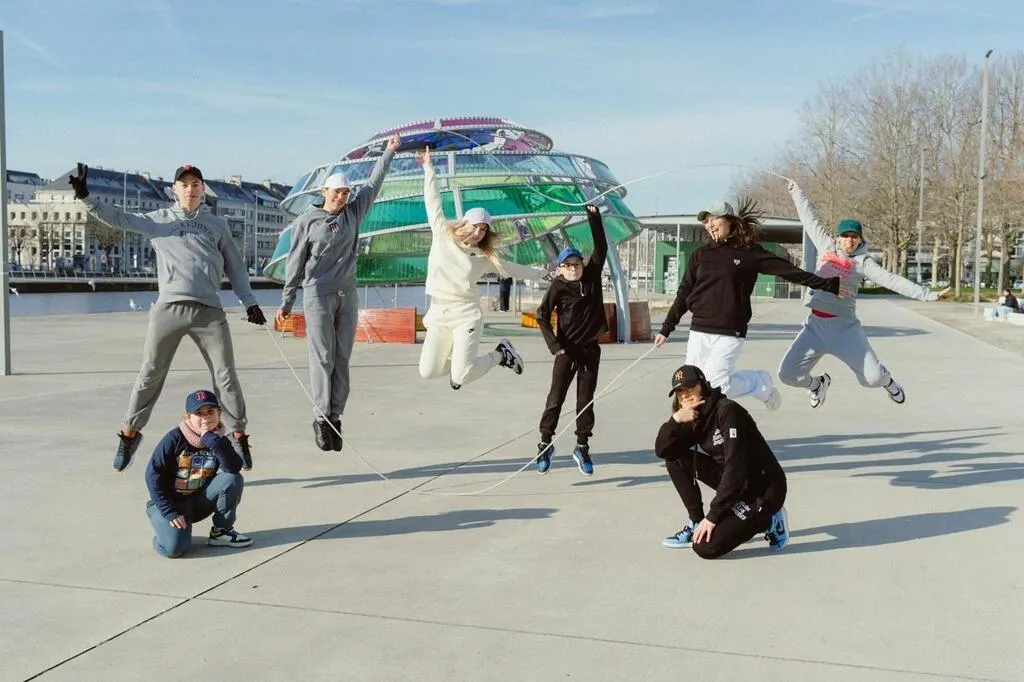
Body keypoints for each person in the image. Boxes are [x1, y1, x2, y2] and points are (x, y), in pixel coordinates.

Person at [69, 163, 266, 473]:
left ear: (203, 190)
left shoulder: (217, 225)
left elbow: (236, 268)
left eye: (195, 184)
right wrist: (85, 196)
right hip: (169, 309)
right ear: (174, 189)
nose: (190, 189)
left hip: (208, 311)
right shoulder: (157, 221)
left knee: (226, 375)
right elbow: (119, 218)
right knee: (150, 372)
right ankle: (129, 434)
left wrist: (250, 302)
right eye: (184, 184)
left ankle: (239, 436)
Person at [654, 197, 844, 411]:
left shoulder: (749, 253)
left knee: (718, 385)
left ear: (729, 220)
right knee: (694, 387)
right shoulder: (700, 254)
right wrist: (667, 327)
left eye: (713, 219)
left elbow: (789, 271)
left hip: (729, 331)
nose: (709, 225)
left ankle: (759, 384)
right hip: (699, 330)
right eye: (705, 222)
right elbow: (684, 292)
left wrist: (828, 285)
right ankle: (699, 437)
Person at [276, 134, 401, 451]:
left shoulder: (353, 213)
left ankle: (336, 416)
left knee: (342, 359)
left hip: (347, 294)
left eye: (346, 192)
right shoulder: (307, 221)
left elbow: (373, 184)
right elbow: (295, 262)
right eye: (337, 192)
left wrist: (388, 152)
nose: (342, 197)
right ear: (324, 192)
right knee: (323, 357)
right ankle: (320, 418)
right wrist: (287, 301)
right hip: (317, 294)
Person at [779, 182, 951, 407]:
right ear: (838, 237)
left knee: (873, 379)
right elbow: (809, 218)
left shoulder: (863, 263)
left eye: (854, 237)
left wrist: (927, 295)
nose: (849, 240)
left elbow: (892, 280)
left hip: (845, 329)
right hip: (815, 327)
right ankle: (817, 385)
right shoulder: (826, 246)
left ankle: (888, 381)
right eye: (845, 236)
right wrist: (796, 191)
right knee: (788, 375)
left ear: (859, 240)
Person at [415, 145, 549, 390]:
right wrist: (428, 168)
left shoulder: (483, 256)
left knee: (461, 377)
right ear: (465, 222)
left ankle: (500, 355)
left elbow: (513, 269)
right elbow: (432, 200)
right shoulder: (442, 234)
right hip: (438, 315)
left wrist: (543, 274)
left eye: (484, 229)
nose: (478, 233)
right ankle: (471, 362)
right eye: (476, 226)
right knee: (428, 371)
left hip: (466, 316)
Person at [656, 365, 789, 559]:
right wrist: (675, 420)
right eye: (680, 392)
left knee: (705, 547)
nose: (685, 396)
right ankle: (696, 522)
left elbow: (736, 469)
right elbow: (663, 451)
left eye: (690, 389)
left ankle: (770, 520)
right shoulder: (694, 416)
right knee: (675, 458)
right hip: (735, 485)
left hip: (763, 489)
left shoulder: (728, 412)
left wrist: (713, 516)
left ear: (703, 386)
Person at [535, 204, 609, 476]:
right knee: (555, 399)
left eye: (576, 264)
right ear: (561, 269)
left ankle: (582, 446)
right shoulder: (558, 287)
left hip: (589, 350)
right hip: (566, 352)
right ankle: (545, 444)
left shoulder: (592, 276)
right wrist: (555, 347)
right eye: (567, 266)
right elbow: (542, 315)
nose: (573, 269)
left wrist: (593, 216)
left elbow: (601, 246)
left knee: (585, 401)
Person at [145, 390, 253, 558]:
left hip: (198, 502)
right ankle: (164, 534)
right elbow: (153, 474)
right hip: (169, 505)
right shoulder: (174, 439)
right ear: (188, 417)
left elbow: (233, 468)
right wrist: (168, 511)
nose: (205, 418)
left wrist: (212, 441)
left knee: (232, 479)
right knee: (174, 549)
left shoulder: (218, 439)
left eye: (211, 412)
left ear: (219, 413)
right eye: (199, 413)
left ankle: (221, 531)